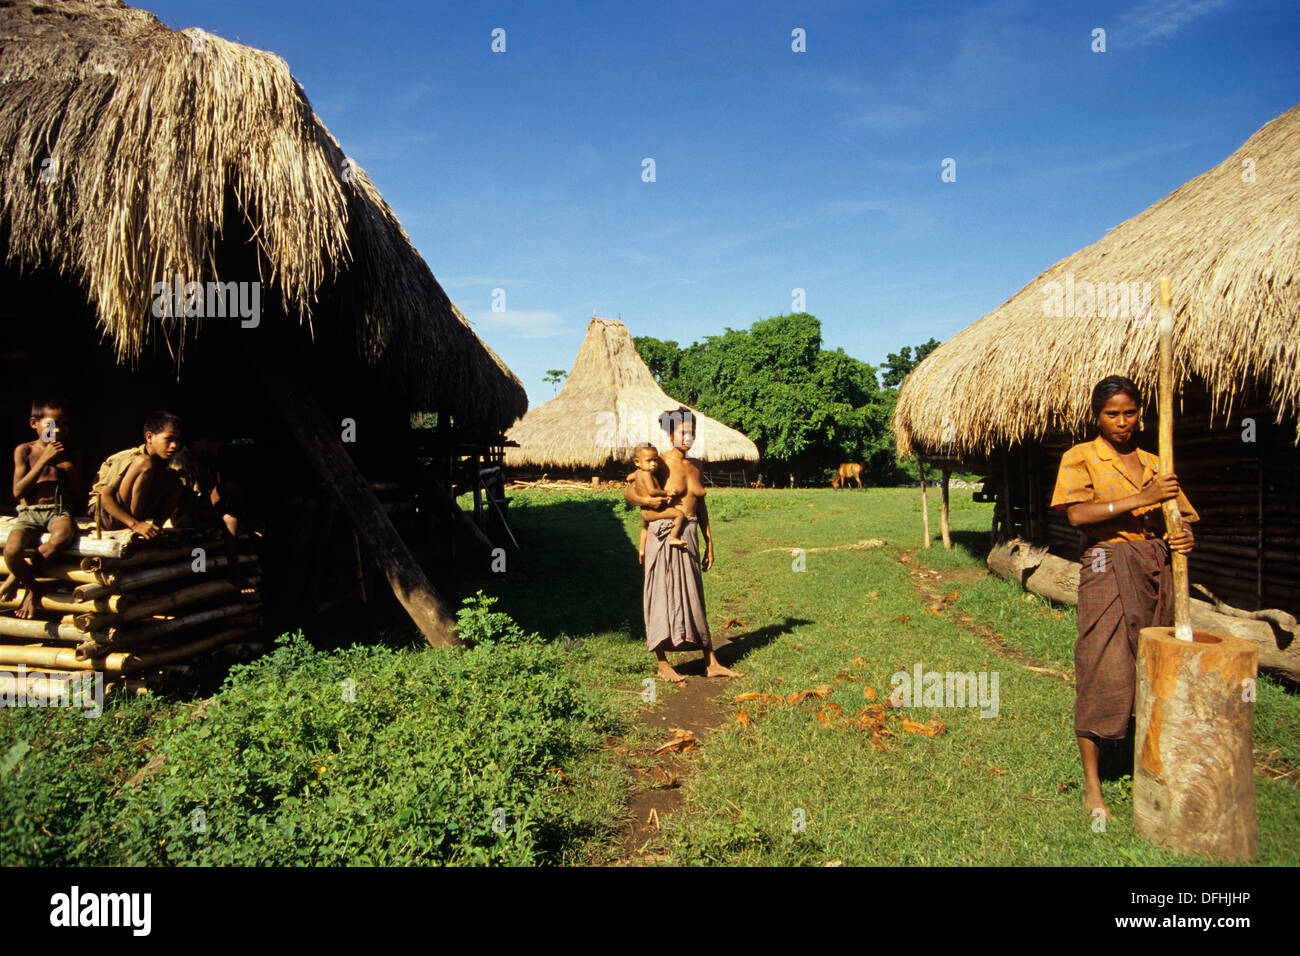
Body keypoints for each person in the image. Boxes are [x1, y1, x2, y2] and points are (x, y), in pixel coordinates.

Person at [1050, 375, 1197, 820]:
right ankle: (1093, 787)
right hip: (1106, 566)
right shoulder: (1080, 457)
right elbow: (1077, 513)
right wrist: (1141, 498)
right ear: (1097, 416)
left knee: (1154, 664)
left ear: (1140, 414)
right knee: (1102, 664)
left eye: (1129, 413)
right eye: (1111, 414)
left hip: (1156, 568)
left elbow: (1182, 518)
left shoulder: (1157, 462)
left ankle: (1152, 763)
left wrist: (1184, 538)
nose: (1121, 422)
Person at [624, 408, 740, 684]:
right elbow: (629, 489)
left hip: (689, 534)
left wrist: (710, 540)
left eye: (692, 432)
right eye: (682, 432)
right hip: (664, 534)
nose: (688, 437)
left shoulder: (697, 465)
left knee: (694, 595)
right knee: (660, 595)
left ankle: (710, 661)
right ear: (669, 433)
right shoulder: (657, 463)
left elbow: (700, 505)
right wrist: (647, 502)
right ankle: (662, 662)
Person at [0, 399, 83, 618]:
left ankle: (16, 579)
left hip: (58, 510)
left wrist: (70, 470)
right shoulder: (24, 450)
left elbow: (77, 493)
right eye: (51, 424)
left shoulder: (71, 453)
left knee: (62, 536)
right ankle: (34, 587)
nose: (58, 430)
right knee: (12, 551)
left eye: (64, 424)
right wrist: (43, 460)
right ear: (34, 424)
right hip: (29, 512)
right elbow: (18, 491)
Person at [94, 411, 185, 539]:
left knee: (176, 479)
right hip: (108, 516)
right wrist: (135, 524)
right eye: (169, 439)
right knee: (144, 462)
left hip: (137, 518)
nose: (174, 445)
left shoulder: (163, 464)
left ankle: (156, 529)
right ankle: (135, 526)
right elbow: (104, 496)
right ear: (149, 437)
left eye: (177, 441)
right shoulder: (131, 457)